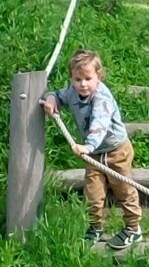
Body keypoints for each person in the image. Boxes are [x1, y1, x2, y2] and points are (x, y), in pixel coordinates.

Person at [43, 51, 143, 251]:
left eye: (88, 79)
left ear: (99, 77)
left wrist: (87, 147)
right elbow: (59, 95)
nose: (83, 84)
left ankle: (133, 228)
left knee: (124, 190)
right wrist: (52, 98)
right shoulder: (73, 91)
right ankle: (95, 226)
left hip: (116, 150)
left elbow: (99, 124)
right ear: (71, 78)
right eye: (77, 79)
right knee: (93, 193)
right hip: (94, 155)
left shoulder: (101, 98)